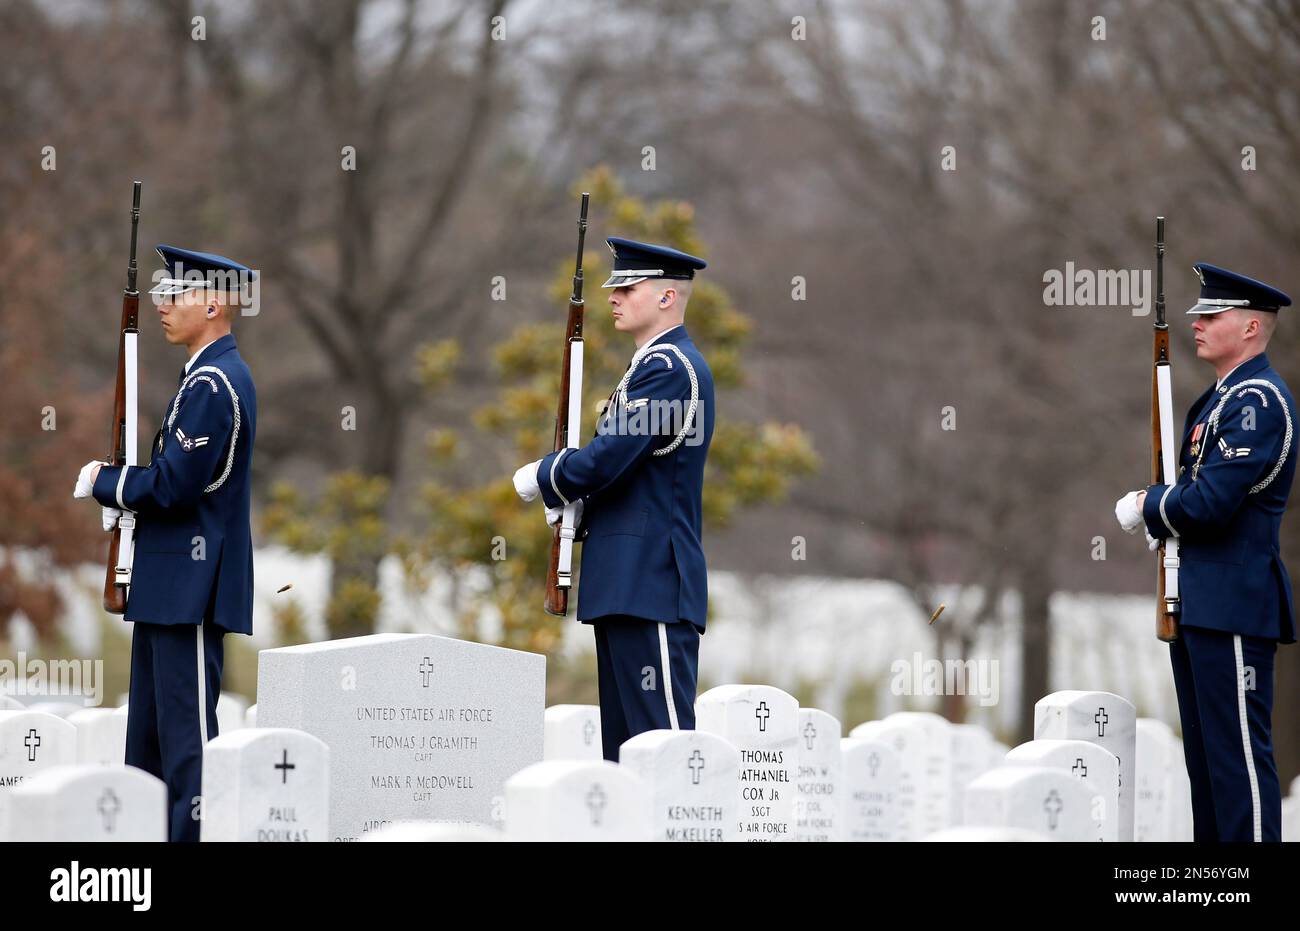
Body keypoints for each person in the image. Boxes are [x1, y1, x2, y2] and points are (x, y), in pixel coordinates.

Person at [74, 245, 258, 842]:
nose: (161, 305)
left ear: (213, 305)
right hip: (167, 586)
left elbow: (177, 486)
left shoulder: (215, 383)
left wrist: (110, 485)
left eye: (176, 295)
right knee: (148, 746)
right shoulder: (203, 378)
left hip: (191, 590)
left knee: (188, 748)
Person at [514, 237, 714, 762]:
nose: (614, 296)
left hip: (651, 582)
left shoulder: (671, 369)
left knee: (666, 758)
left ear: (667, 297)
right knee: (627, 762)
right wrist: (579, 510)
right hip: (627, 583)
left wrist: (546, 476)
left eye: (629, 286)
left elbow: (610, 456)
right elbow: (629, 475)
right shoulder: (649, 367)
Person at [1115, 261, 1294, 841]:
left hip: (1234, 602)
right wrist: (1166, 513)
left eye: (1212, 316)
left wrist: (1149, 505)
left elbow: (1211, 501)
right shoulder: (1222, 400)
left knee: (1238, 760)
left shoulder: (1257, 403)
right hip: (1202, 600)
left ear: (1249, 328)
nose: (1197, 324)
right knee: (1210, 765)